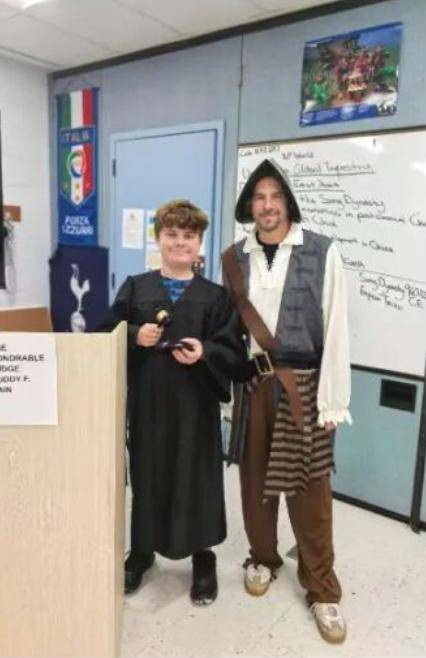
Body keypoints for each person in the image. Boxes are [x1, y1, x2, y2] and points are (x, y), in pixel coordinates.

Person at [222, 159, 351, 644]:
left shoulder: (322, 251)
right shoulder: (234, 258)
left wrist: (332, 400)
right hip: (254, 387)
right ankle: (263, 557)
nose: (268, 205)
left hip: (305, 389)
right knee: (255, 482)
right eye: (259, 197)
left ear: (288, 203)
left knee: (310, 492)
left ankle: (322, 588)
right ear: (250, 206)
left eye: (276, 196)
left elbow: (336, 327)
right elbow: (229, 333)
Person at [101, 199, 245, 605]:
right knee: (148, 474)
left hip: (196, 405)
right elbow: (105, 332)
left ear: (200, 242)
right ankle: (142, 551)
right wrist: (135, 335)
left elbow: (233, 353)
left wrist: (205, 352)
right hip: (149, 402)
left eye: (189, 235)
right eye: (172, 234)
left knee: (197, 477)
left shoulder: (216, 297)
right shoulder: (136, 287)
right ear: (158, 238)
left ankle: (202, 557)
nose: (180, 242)